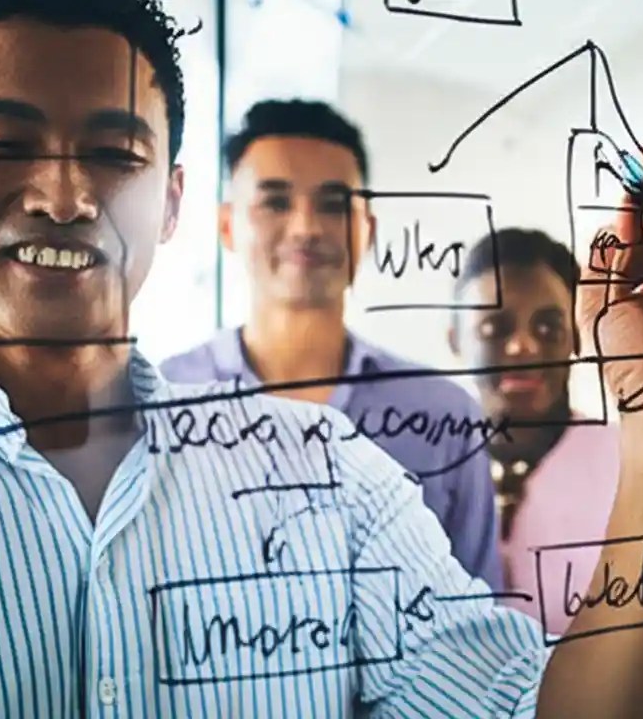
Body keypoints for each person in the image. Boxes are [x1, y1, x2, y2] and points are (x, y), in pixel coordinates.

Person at [0, 0, 643, 715]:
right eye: (0, 145)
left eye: (115, 153)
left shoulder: (329, 469)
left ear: (168, 202)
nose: (63, 195)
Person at [159, 99, 503, 591]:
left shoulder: (447, 417)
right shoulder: (160, 400)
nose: (306, 228)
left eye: (334, 204)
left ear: (368, 230)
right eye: (276, 202)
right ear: (227, 226)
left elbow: (482, 633)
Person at [449, 227, 619, 635]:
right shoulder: (419, 469)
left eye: (547, 327)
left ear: (576, 336)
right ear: (456, 340)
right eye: (494, 329)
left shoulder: (628, 465)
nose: (522, 346)